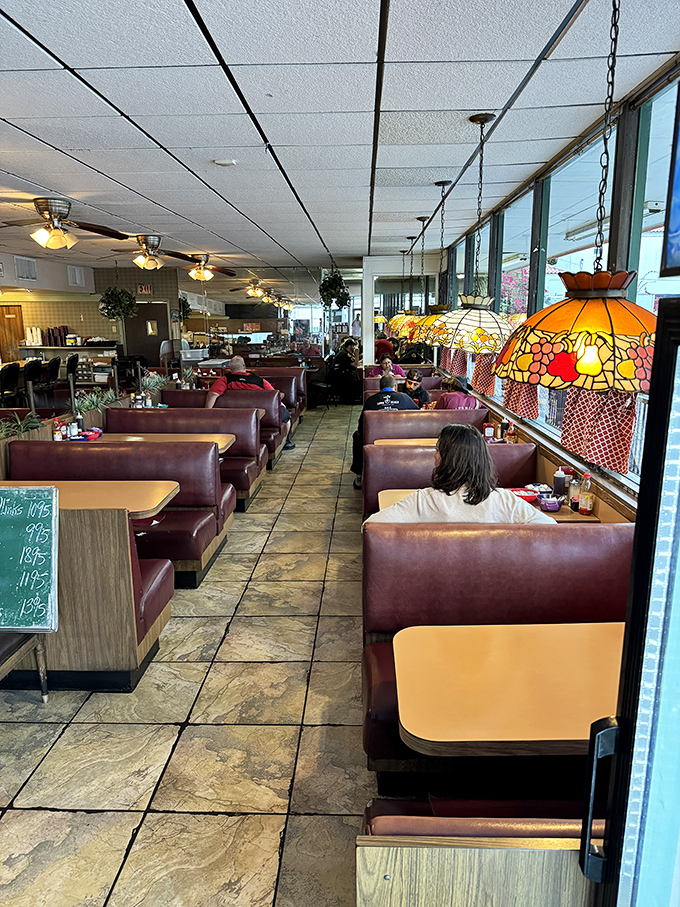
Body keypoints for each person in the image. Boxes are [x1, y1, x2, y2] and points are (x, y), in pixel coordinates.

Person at [364, 423, 556, 525]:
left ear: (447, 459)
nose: (434, 455)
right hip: (494, 583)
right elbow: (550, 529)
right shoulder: (505, 500)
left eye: (438, 450)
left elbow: (371, 526)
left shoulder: (424, 501)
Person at [204, 356, 295, 449]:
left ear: (230, 369)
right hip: (263, 417)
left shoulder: (224, 380)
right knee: (286, 416)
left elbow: (213, 395)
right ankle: (286, 442)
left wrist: (207, 413)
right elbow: (273, 396)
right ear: (244, 366)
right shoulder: (259, 381)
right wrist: (282, 405)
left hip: (235, 419)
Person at [350, 374, 418, 489]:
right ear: (395, 387)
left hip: (375, 440)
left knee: (357, 435)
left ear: (379, 388)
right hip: (401, 438)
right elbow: (418, 415)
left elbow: (362, 425)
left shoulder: (371, 401)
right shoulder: (404, 397)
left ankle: (359, 475)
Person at [333, 337, 360, 404]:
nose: (354, 348)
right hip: (341, 376)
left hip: (343, 374)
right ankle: (349, 400)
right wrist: (357, 354)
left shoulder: (345, 352)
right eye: (353, 346)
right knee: (357, 382)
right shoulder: (345, 354)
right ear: (350, 346)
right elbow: (355, 365)